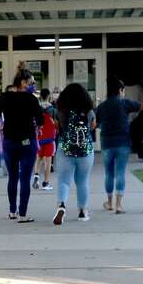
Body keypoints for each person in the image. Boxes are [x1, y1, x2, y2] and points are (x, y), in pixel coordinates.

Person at [95, 81, 143, 213]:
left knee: (109, 174)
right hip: (123, 143)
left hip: (106, 143)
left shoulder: (102, 106)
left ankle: (109, 203)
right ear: (120, 90)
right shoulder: (124, 103)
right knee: (120, 173)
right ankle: (119, 205)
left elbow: (94, 122)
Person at [0, 73, 43, 223]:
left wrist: (1, 128)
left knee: (13, 177)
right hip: (27, 143)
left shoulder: (5, 97)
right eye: (31, 82)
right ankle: (23, 214)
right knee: (25, 179)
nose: (33, 85)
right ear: (23, 82)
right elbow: (40, 120)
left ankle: (12, 211)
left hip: (10, 143)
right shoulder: (32, 99)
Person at [51, 83, 97, 225]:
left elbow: (57, 128)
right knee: (82, 181)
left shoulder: (61, 111)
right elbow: (93, 126)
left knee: (64, 181)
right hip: (85, 152)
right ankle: (83, 211)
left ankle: (61, 206)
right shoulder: (89, 112)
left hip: (65, 150)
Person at [34, 103, 57, 191]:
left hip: (39, 141)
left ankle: (36, 175)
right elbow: (55, 129)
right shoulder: (50, 119)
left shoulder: (36, 118)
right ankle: (46, 183)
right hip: (49, 142)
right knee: (48, 162)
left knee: (38, 159)